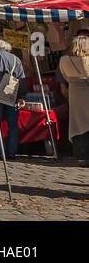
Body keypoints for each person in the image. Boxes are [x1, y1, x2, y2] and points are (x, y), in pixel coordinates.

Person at [0, 37, 27, 161]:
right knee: (13, 124)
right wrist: (22, 96)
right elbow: (21, 77)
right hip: (11, 94)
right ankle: (12, 151)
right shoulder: (15, 58)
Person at [58, 34, 89, 167]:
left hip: (75, 93)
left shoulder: (64, 60)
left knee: (78, 123)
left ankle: (81, 155)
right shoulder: (87, 60)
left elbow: (64, 76)